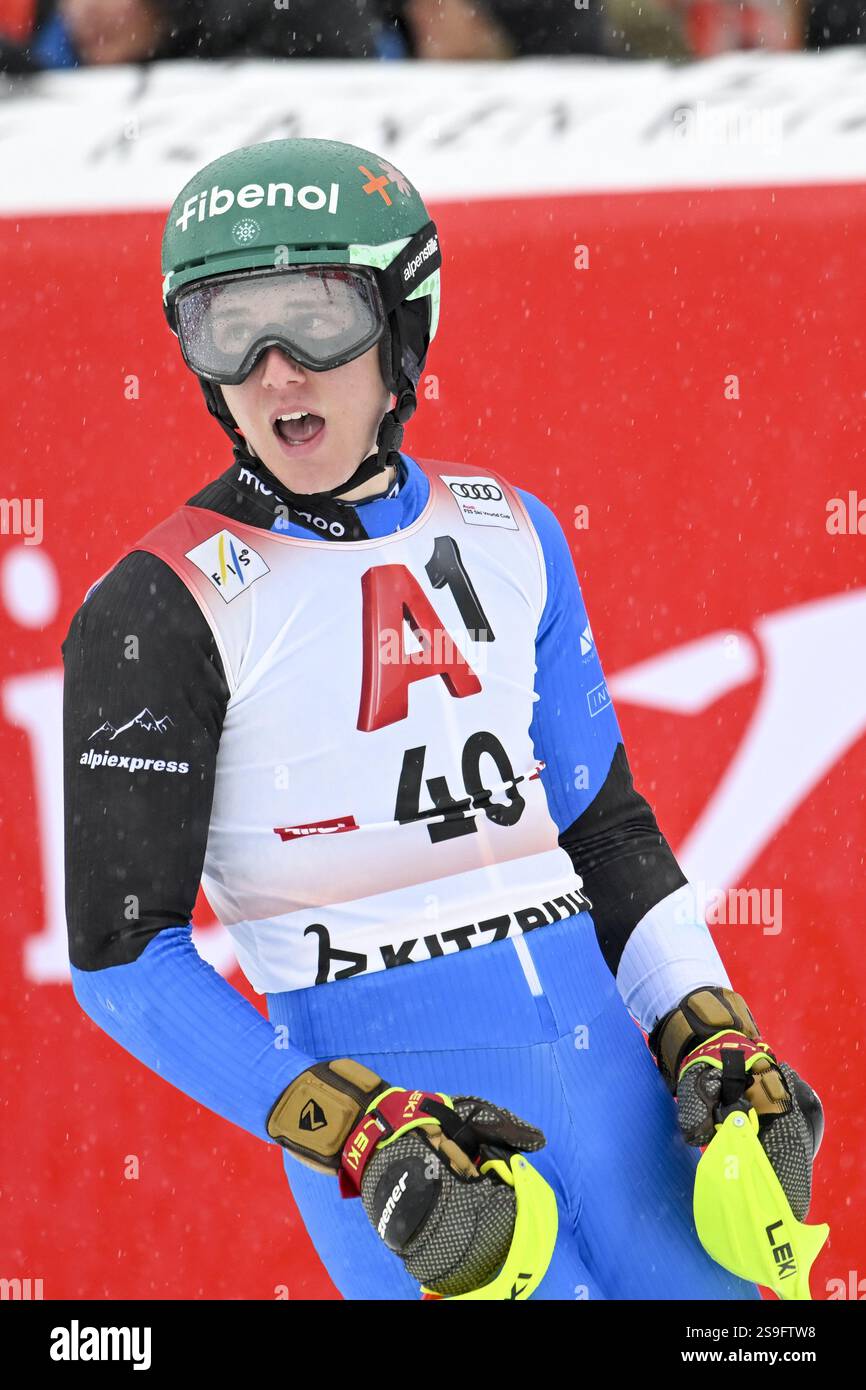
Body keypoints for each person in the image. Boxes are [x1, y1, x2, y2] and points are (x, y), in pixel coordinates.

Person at [62, 136, 823, 1299]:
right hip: (421, 1160)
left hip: (622, 1112)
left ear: (400, 323)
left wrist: (705, 1024)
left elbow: (605, 831)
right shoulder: (156, 606)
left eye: (314, 318)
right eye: (226, 327)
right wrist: (356, 1129)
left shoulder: (514, 530)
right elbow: (123, 961)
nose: (275, 373)